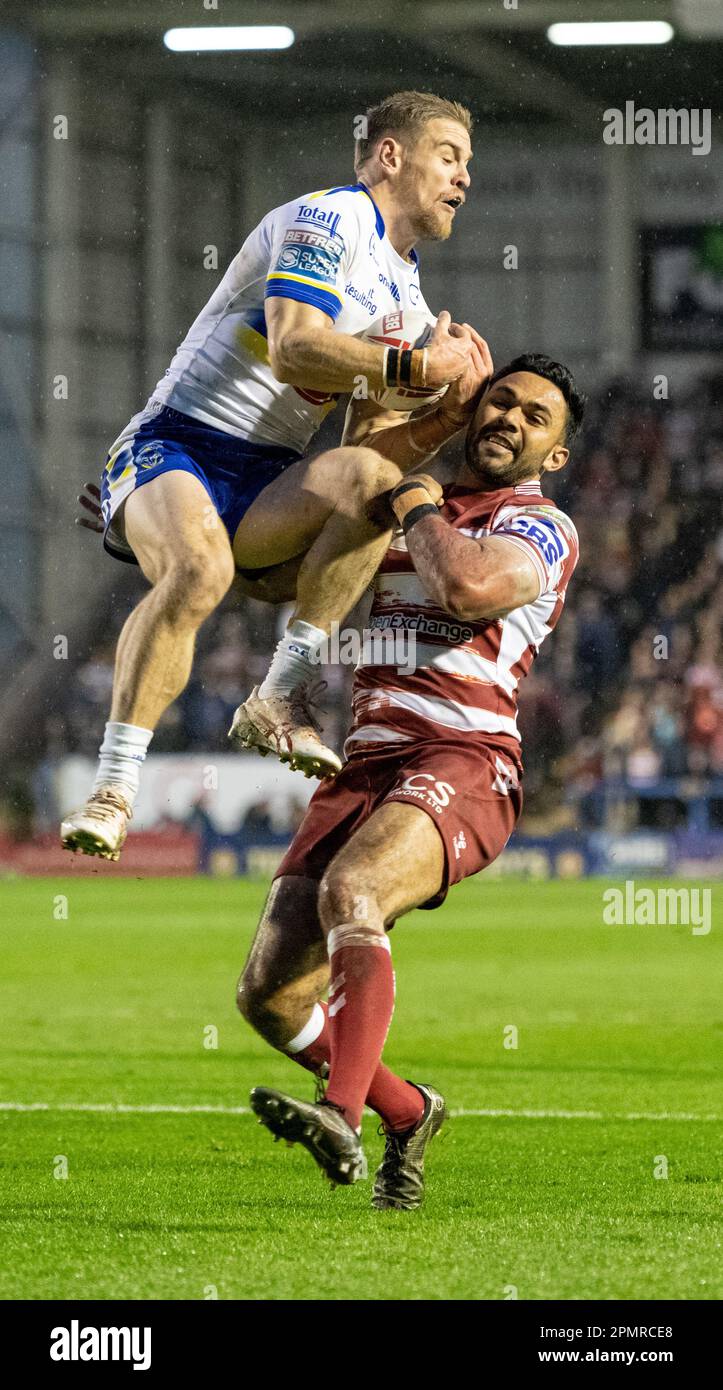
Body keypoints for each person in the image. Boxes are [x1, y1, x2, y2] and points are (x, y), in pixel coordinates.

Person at [61, 91, 478, 862]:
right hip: (175, 444)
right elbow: (293, 347)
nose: (462, 178)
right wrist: (419, 366)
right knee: (198, 569)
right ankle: (115, 787)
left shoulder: (411, 302)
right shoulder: (330, 218)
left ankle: (280, 692)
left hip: (264, 484)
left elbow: (370, 454)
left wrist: (446, 413)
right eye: (449, 156)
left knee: (371, 485)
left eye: (467, 165)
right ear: (391, 155)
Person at [238, 354, 585, 1208]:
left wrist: (417, 500)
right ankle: (406, 1108)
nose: (508, 418)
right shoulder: (402, 501)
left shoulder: (541, 526)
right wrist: (148, 534)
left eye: (534, 418)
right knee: (270, 1000)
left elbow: (467, 590)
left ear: (554, 455)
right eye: (499, 400)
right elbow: (273, 578)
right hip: (365, 765)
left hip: (464, 764)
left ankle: (342, 1114)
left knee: (354, 889)